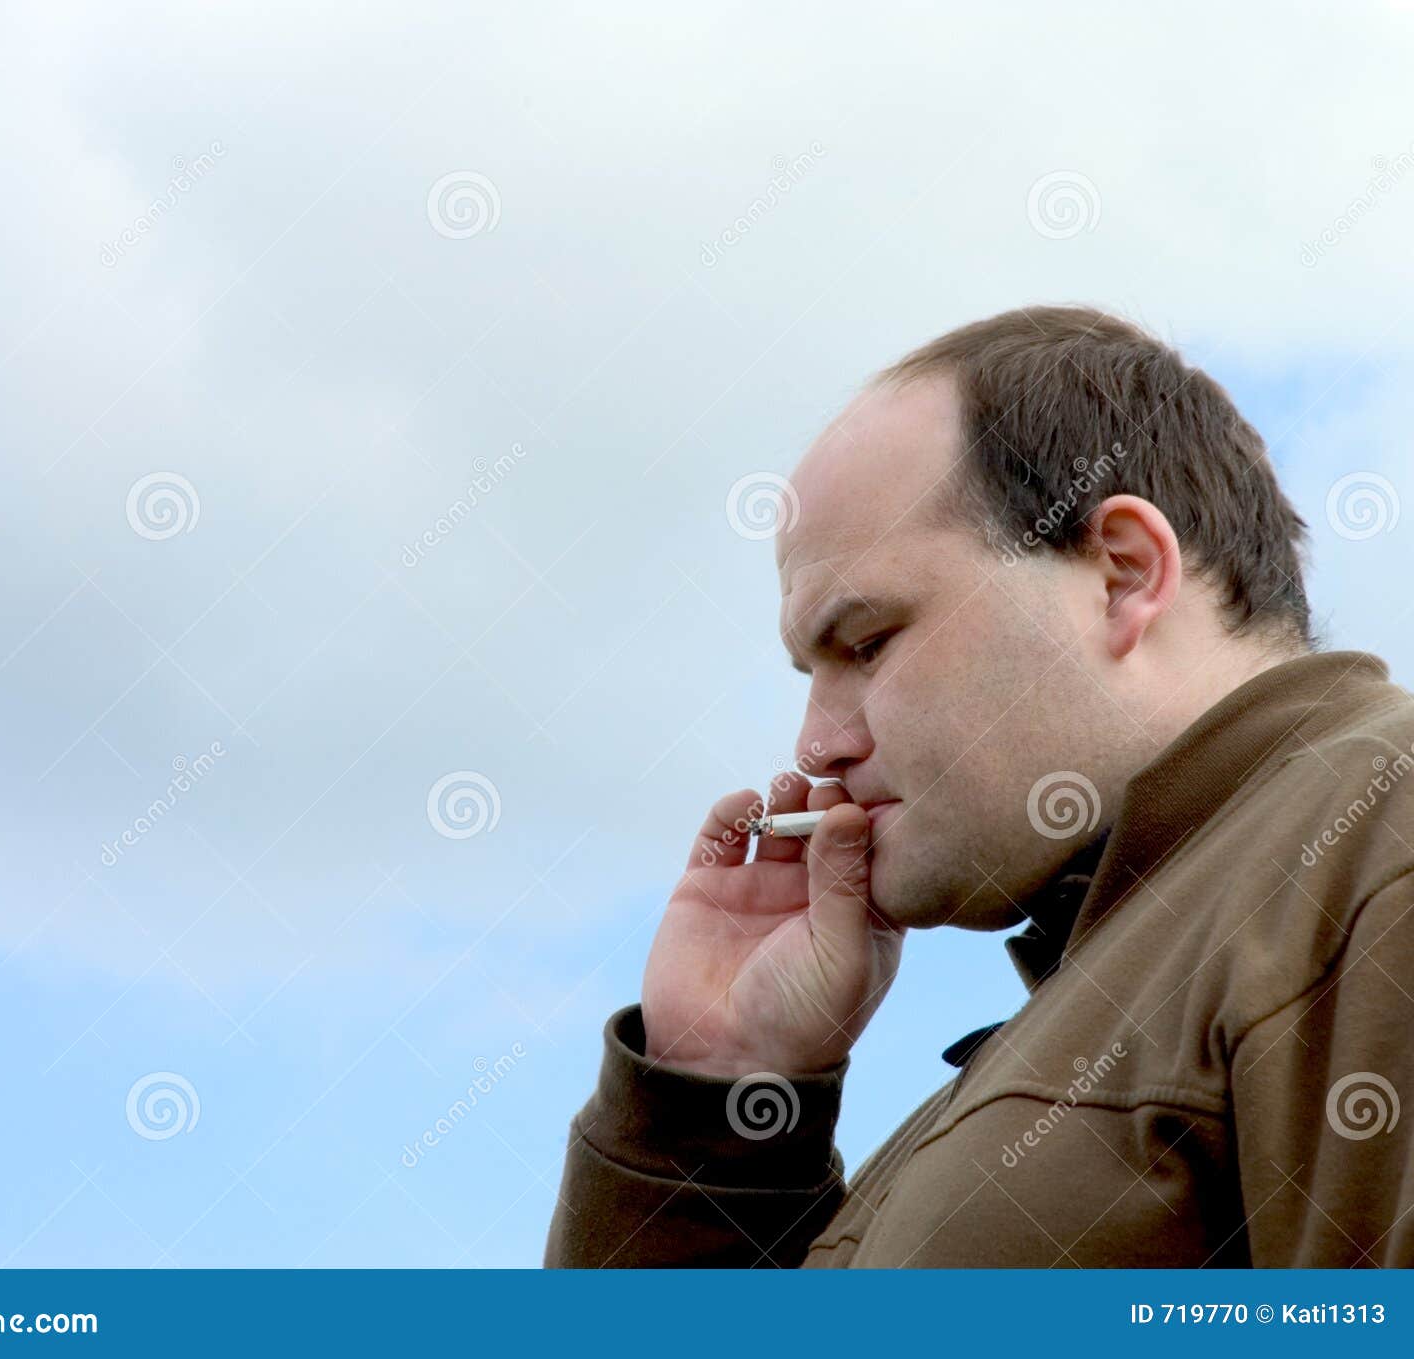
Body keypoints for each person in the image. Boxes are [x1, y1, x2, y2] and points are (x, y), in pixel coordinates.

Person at [544, 305, 1414, 1267]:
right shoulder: (1103, 992)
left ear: (1124, 575)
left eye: (868, 643)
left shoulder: (1380, 838)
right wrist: (710, 1099)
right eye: (810, 672)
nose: (817, 746)